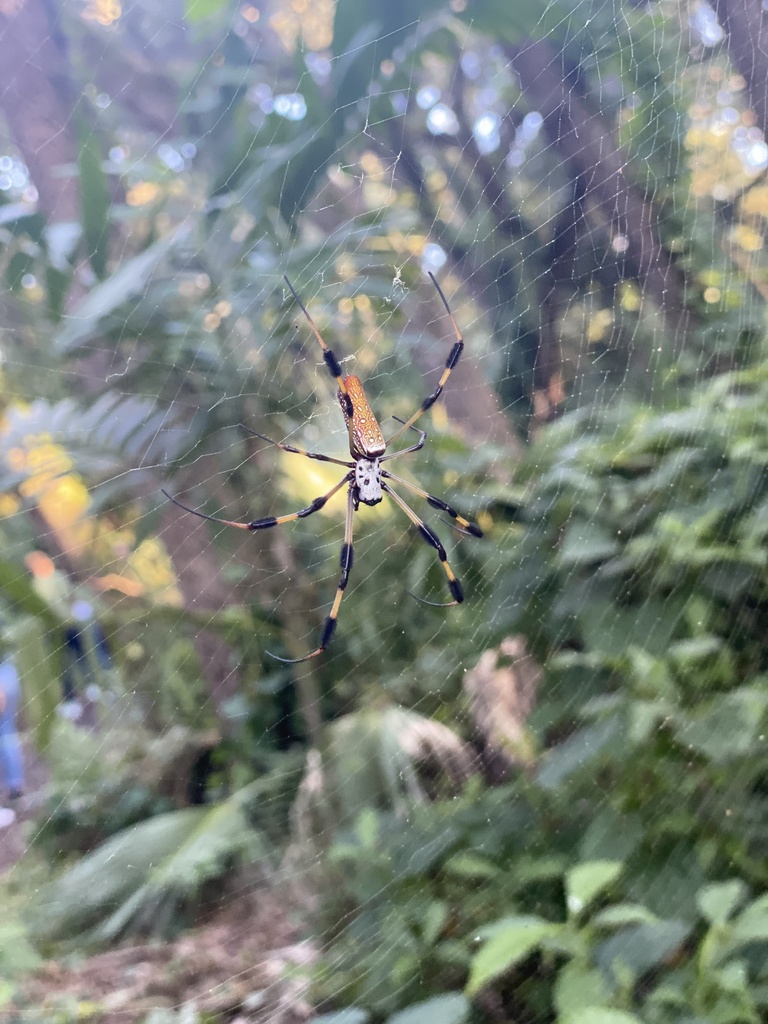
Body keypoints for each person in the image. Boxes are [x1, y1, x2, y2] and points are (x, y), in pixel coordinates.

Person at [0, 658, 24, 804]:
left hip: (3, 678)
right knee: (8, 732)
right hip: (9, 673)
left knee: (5, 735)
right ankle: (14, 782)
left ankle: (14, 784)